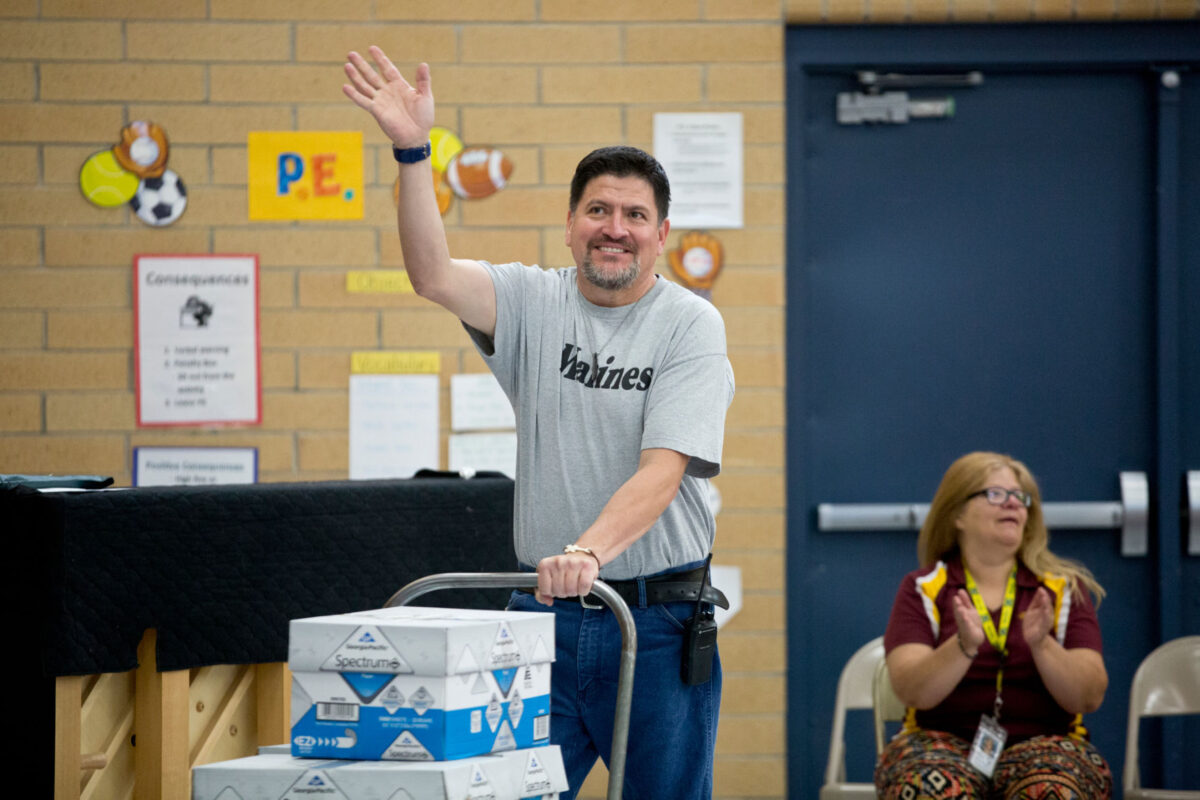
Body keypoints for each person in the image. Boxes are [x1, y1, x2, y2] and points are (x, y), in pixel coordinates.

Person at [343, 46, 735, 800]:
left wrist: (587, 551)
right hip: (540, 618)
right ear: (569, 224)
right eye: (598, 210)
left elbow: (662, 471)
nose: (613, 228)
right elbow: (431, 274)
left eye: (634, 215)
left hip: (654, 624)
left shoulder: (691, 324)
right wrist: (412, 151)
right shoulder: (533, 302)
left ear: (660, 233)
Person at [875, 451, 1112, 799]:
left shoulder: (1063, 588)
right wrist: (962, 646)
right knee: (932, 789)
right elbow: (911, 690)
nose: (1013, 505)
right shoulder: (923, 587)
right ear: (957, 513)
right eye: (996, 494)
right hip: (939, 743)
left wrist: (1042, 645)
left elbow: (1089, 696)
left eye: (1020, 497)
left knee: (1052, 791)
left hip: (1046, 745)